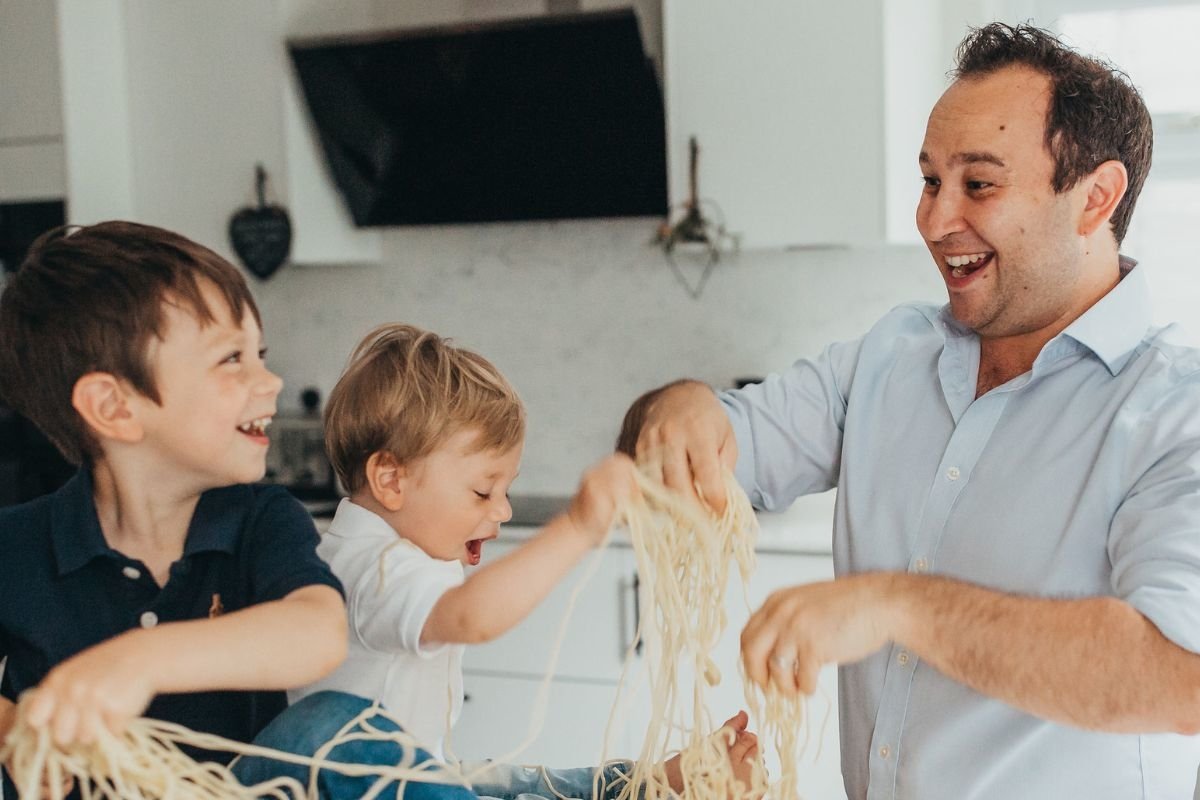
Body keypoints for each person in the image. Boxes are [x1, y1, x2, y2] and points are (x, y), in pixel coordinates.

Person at [619, 22, 1200, 800]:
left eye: (979, 185)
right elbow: (711, 446)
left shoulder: (1176, 411)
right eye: (931, 181)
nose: (934, 220)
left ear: (1095, 198)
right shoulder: (891, 355)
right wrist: (677, 409)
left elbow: (1177, 677)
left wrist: (898, 607)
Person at [0, 222, 475, 800]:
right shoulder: (17, 547)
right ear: (114, 408)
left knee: (329, 719)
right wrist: (15, 732)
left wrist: (140, 661)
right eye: (232, 359)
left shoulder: (258, 520)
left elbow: (315, 633)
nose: (269, 381)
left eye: (261, 353)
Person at [292, 323, 760, 800]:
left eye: (506, 490)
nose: (503, 511)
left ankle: (654, 783)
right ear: (390, 480)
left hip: (428, 773)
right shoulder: (372, 566)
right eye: (482, 491)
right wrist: (579, 524)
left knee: (519, 783)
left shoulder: (380, 554)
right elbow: (470, 616)